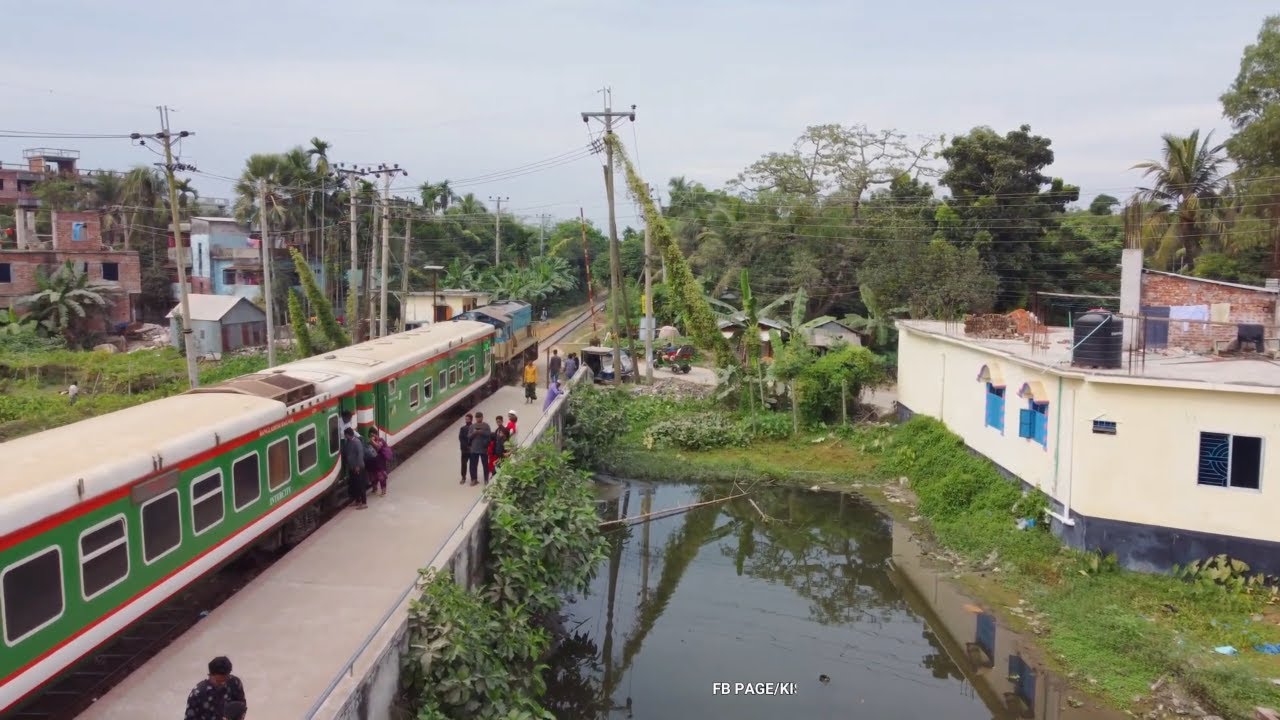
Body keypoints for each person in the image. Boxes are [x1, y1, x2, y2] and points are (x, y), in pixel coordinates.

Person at [184, 656, 246, 720]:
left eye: (225, 680)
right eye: (218, 681)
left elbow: (241, 707)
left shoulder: (234, 683)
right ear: (210, 675)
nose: (223, 683)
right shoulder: (197, 694)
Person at [342, 428, 368, 509]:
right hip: (351, 467)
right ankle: (357, 500)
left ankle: (364, 503)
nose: (344, 436)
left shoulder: (357, 442)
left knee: (360, 485)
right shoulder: (348, 442)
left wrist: (358, 466)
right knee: (354, 485)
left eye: (345, 434)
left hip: (358, 468)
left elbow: (360, 454)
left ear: (348, 434)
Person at [468, 412, 493, 486]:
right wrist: (474, 433)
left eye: (479, 417)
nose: (478, 418)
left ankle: (486, 479)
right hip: (474, 448)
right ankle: (474, 479)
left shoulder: (486, 426)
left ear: (482, 417)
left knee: (485, 465)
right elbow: (469, 436)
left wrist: (482, 432)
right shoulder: (472, 426)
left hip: (483, 448)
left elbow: (489, 435)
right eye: (477, 417)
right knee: (473, 465)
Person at [457, 413, 473, 485]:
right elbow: (461, 438)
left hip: (472, 449)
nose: (466, 420)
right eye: (466, 419)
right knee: (463, 464)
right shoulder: (463, 428)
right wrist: (466, 446)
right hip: (465, 450)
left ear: (471, 419)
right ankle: (463, 477)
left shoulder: (474, 427)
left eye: (468, 419)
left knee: (472, 464)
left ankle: (473, 478)